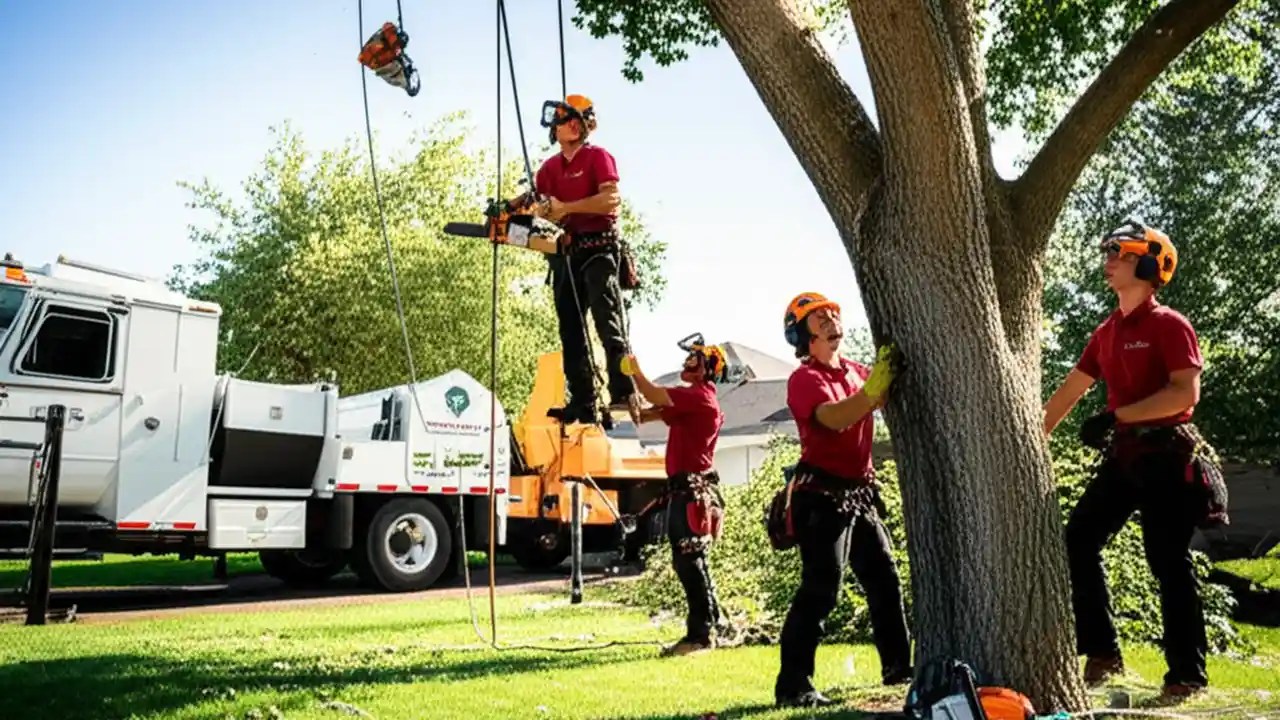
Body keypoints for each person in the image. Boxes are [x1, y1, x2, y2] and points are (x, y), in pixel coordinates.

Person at [1043, 220, 1225, 699]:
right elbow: (1069, 392)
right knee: (1078, 539)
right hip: (1124, 458)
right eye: (1109, 253)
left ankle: (1187, 677)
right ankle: (1103, 653)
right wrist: (1034, 434)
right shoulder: (1105, 333)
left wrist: (1117, 414)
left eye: (1119, 254)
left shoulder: (1170, 324)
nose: (1109, 262)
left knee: (1167, 561)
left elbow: (1184, 392)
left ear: (1149, 263)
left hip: (1168, 457)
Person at [773, 292, 913, 708]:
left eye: (833, 313)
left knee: (884, 579)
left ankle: (898, 670)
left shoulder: (855, 371)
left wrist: (876, 385)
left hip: (859, 494)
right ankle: (793, 686)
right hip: (821, 498)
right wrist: (872, 391)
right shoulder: (805, 380)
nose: (832, 319)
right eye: (819, 317)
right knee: (821, 589)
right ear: (802, 332)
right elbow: (834, 419)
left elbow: (878, 396)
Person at [534, 93, 639, 425]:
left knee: (609, 323)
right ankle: (583, 400)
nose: (572, 125)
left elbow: (610, 200)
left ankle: (623, 388)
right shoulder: (548, 169)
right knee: (570, 330)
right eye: (566, 120)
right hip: (569, 252)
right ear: (556, 128)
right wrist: (545, 213)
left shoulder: (598, 157)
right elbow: (541, 209)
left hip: (600, 249)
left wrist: (568, 208)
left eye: (577, 120)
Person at [624, 338, 728, 656]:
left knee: (689, 562)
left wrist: (635, 371)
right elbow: (652, 411)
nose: (687, 363)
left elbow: (654, 394)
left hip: (693, 493)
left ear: (708, 369)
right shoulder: (692, 402)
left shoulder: (699, 397)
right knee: (692, 561)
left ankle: (700, 635)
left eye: (694, 359)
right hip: (689, 491)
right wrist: (632, 407)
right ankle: (712, 624)